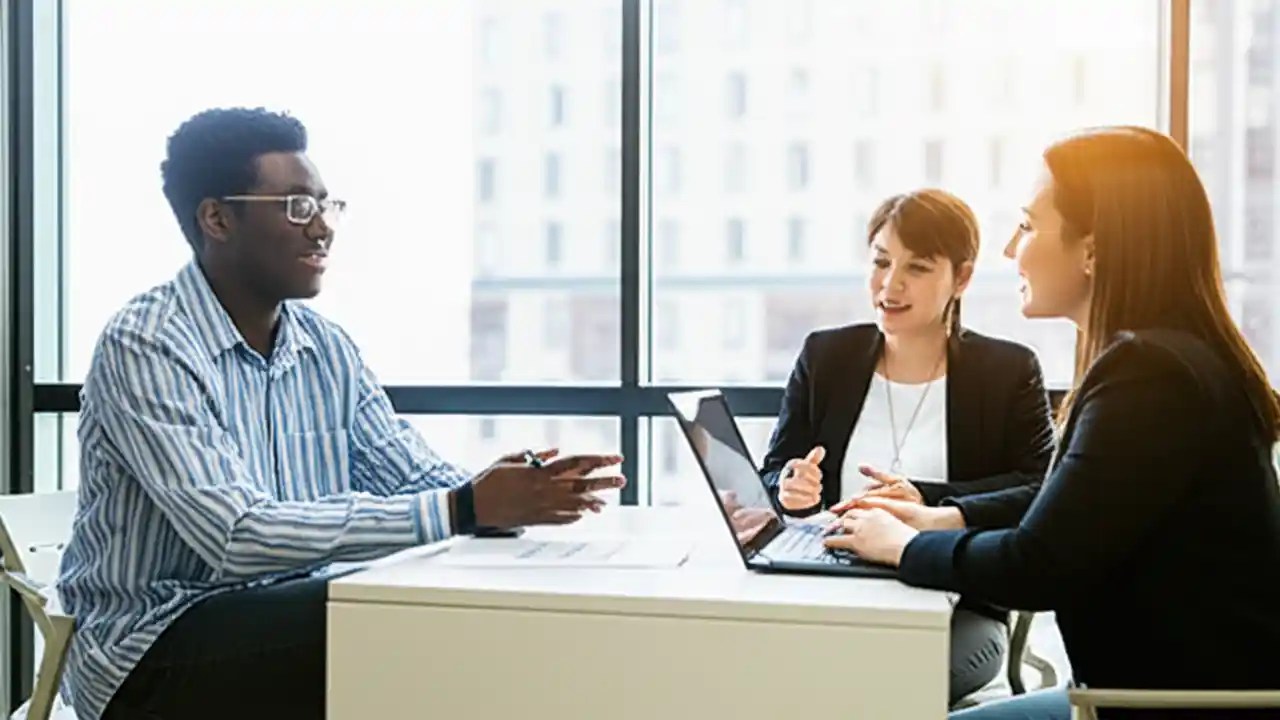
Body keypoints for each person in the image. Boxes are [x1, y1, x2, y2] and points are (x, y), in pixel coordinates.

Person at [55, 107, 626, 720]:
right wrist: (463, 508)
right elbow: (234, 536)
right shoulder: (149, 343)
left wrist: (506, 494)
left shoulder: (324, 347)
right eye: (297, 207)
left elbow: (409, 475)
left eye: (328, 206)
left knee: (437, 612)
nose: (323, 228)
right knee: (409, 624)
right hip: (152, 646)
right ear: (217, 218)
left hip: (280, 616)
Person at [827, 126, 1280, 719]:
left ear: (1092, 251)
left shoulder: (1149, 375)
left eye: (1029, 225)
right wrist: (946, 515)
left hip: (1168, 705)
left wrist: (907, 548)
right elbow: (1080, 507)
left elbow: (1037, 566)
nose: (1013, 249)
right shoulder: (1171, 358)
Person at [759, 188, 1055, 704]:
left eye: (917, 267)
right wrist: (790, 486)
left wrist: (926, 500)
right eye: (880, 262)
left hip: (960, 605)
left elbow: (1038, 490)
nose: (890, 285)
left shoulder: (1007, 371)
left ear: (961, 278)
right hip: (826, 588)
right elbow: (771, 475)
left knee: (874, 689)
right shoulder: (827, 356)